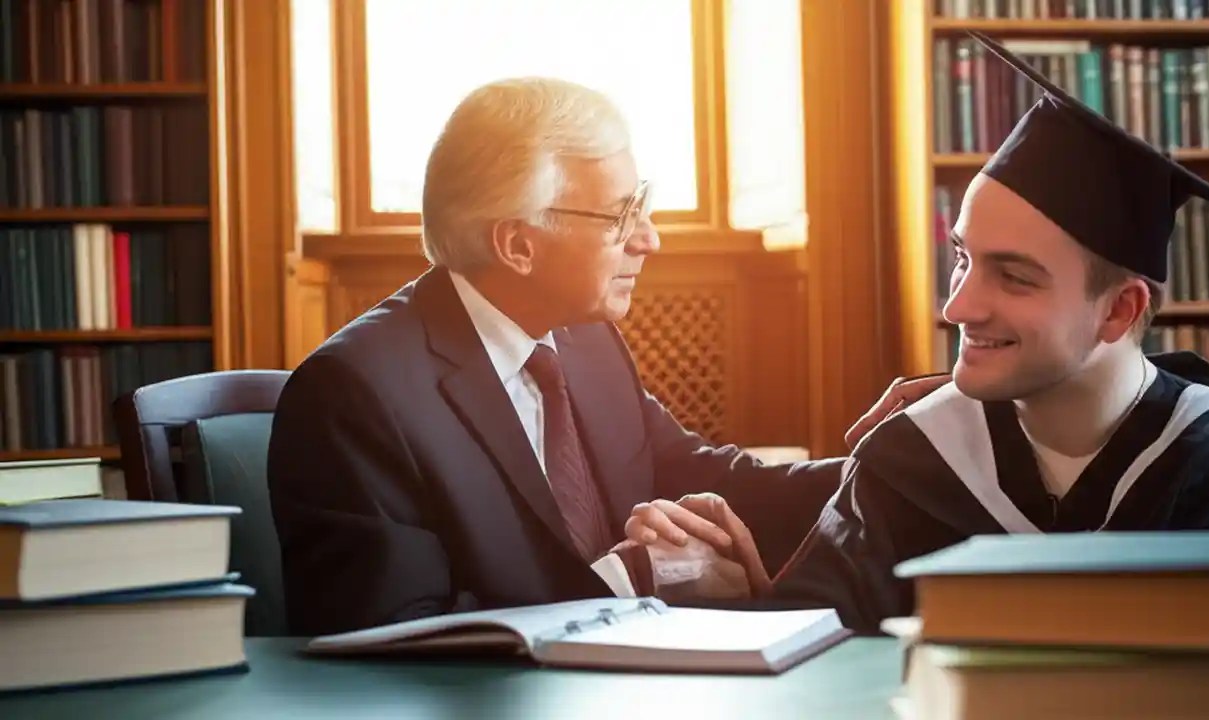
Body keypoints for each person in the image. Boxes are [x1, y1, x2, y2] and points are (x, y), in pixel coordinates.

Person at [621, 31, 1209, 631]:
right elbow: (812, 647)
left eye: (1014, 277)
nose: (958, 306)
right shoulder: (913, 458)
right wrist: (732, 593)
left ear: (1119, 312)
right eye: (962, 258)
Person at [267, 77, 940, 636]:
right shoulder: (355, 394)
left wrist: (921, 449)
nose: (649, 239)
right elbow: (393, 635)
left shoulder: (582, 339)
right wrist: (630, 580)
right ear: (518, 245)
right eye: (620, 216)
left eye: (640, 204)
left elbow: (706, 478)